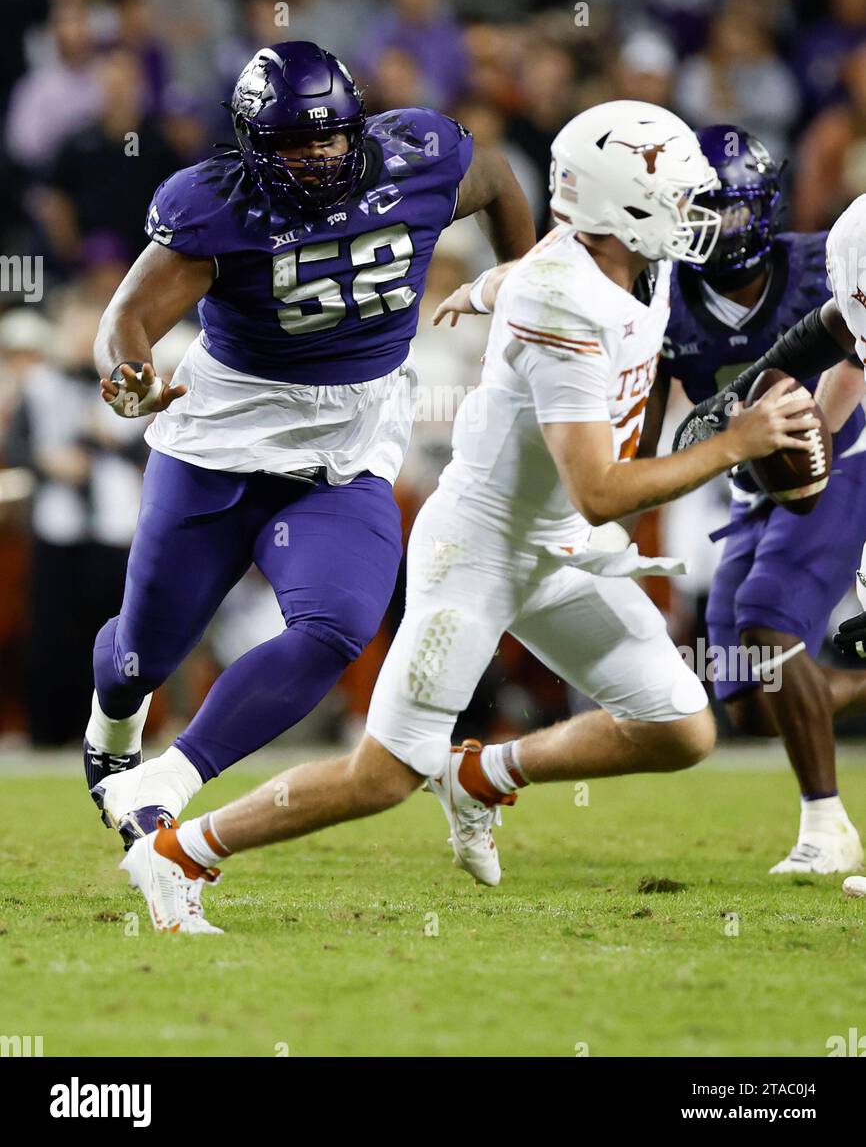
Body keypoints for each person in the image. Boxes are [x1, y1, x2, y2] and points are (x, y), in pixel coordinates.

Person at [114, 99, 816, 934]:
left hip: (558, 548)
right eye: (676, 197)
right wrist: (738, 443)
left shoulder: (625, 265)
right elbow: (598, 489)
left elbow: (530, 269)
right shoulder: (567, 304)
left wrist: (481, 287)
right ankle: (178, 854)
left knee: (681, 730)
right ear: (621, 206)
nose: (692, 214)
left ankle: (481, 776)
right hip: (480, 551)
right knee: (383, 776)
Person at [87, 38, 534, 856]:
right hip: (220, 446)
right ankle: (113, 727)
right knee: (140, 659)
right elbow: (128, 317)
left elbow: (499, 178)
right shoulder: (218, 205)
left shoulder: (416, 159)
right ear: (255, 145)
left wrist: (524, 284)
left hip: (344, 451)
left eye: (329, 135)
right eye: (295, 141)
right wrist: (128, 374)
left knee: (336, 626)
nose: (318, 154)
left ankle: (166, 781)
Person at [641, 124, 866, 874]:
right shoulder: (663, 292)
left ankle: (825, 827)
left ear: (760, 207)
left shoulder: (819, 260)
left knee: (769, 620)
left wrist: (811, 445)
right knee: (745, 692)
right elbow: (819, 341)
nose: (705, 227)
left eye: (723, 209)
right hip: (753, 482)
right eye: (691, 209)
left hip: (843, 455)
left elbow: (846, 356)